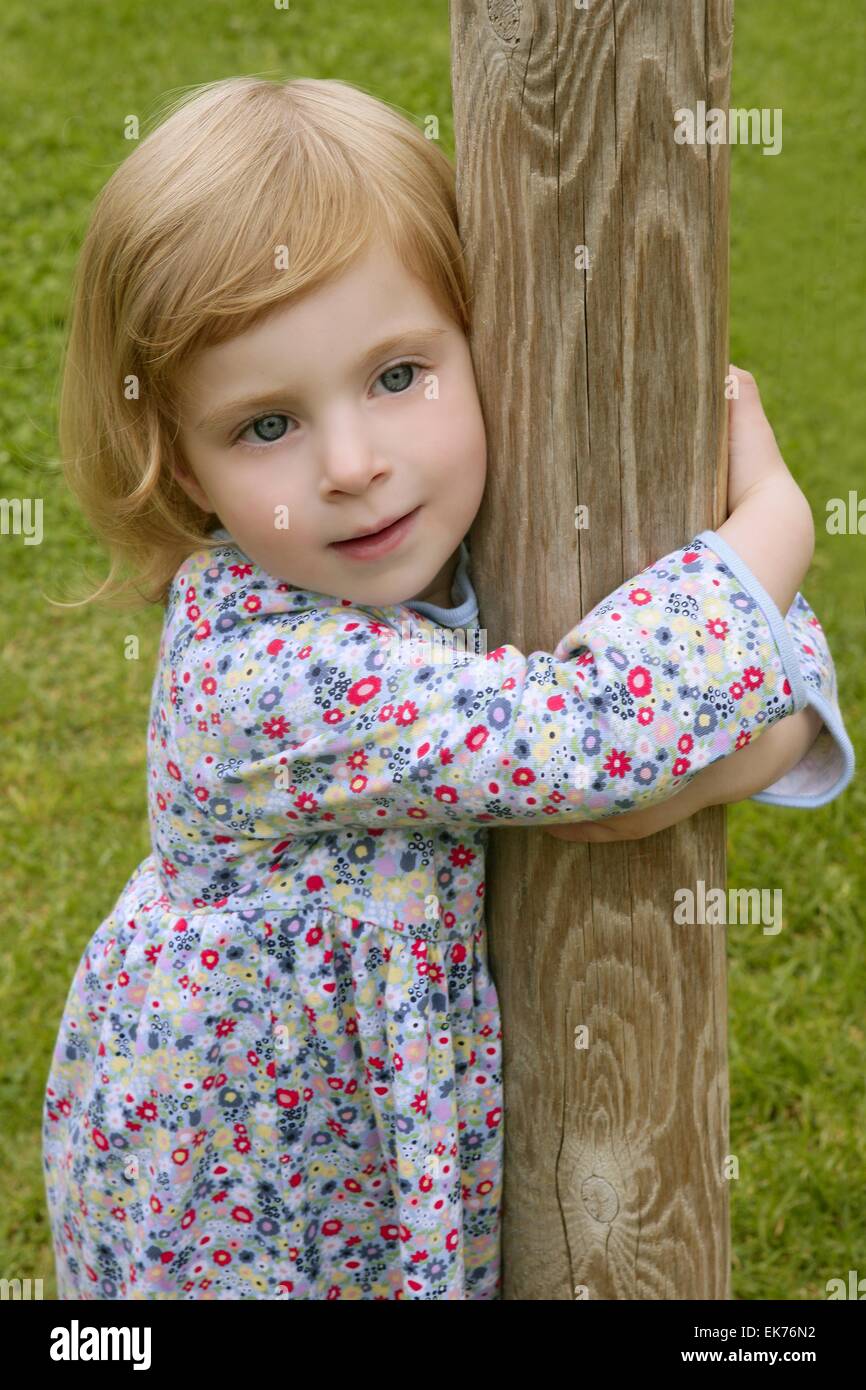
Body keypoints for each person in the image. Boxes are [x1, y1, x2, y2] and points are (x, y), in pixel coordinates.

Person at [41, 76, 854, 1301]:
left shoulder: (442, 576)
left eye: (397, 375)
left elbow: (663, 718)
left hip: (357, 1130)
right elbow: (606, 735)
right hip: (245, 1174)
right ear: (184, 467)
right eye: (266, 426)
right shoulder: (275, 677)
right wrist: (775, 521)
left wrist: (698, 751)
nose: (356, 466)